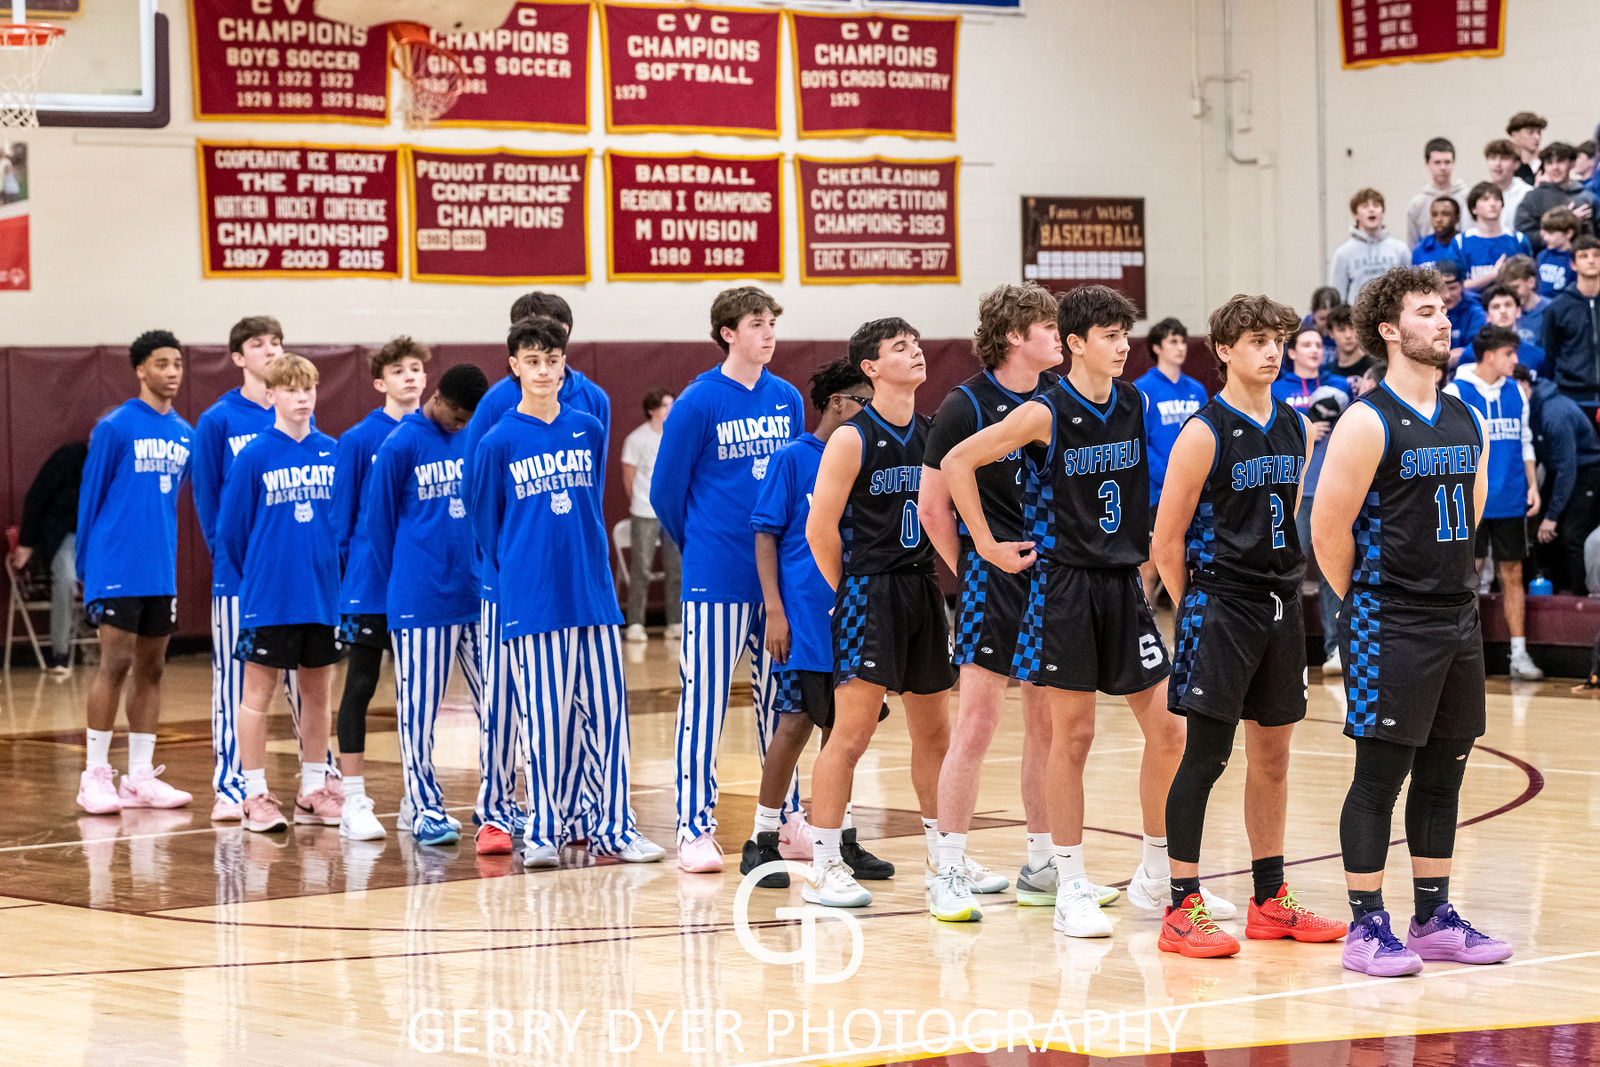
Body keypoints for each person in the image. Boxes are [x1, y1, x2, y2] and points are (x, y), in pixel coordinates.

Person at [941, 285, 1231, 939]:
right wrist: (985, 544)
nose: (1124, 346)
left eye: (1127, 335)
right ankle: (1068, 881)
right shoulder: (1044, 413)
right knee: (1073, 737)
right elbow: (958, 461)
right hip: (1064, 588)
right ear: (1075, 344)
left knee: (1169, 730)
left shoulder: (1133, 400)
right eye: (1110, 335)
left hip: (1123, 588)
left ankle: (1159, 873)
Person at [1311, 264, 1513, 977]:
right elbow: (1328, 529)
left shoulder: (1465, 413)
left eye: (1444, 311)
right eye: (1426, 312)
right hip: (1389, 618)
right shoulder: (1368, 419)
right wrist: (1369, 601)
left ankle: (1432, 917)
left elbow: (1476, 505)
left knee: (1444, 774)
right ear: (1390, 331)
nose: (1443, 321)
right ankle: (1367, 927)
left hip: (1457, 614)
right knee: (1379, 776)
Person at [1151, 293, 1347, 958]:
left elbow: (1286, 516)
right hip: (1219, 606)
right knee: (1206, 757)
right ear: (1225, 351)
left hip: (1279, 605)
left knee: (1275, 755)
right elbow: (1166, 541)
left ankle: (1270, 900)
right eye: (1258, 340)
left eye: (1279, 340)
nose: (1272, 351)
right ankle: (1182, 906)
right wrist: (1200, 605)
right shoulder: (1205, 430)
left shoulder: (1295, 426)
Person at [921, 283, 1114, 922]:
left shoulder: (1058, 401)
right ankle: (947, 867)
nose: (1059, 338)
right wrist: (981, 559)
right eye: (1048, 328)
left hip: (1052, 578)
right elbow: (932, 502)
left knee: (1046, 726)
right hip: (993, 575)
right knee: (976, 724)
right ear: (1014, 335)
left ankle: (1042, 863)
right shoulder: (964, 404)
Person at [469, 317, 664, 867]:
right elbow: (486, 528)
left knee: (607, 715)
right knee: (545, 720)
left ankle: (614, 828)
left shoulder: (587, 425)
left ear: (563, 363)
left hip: (593, 592)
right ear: (514, 367)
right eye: (532, 361)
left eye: (552, 360)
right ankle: (543, 832)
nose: (544, 371)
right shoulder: (496, 440)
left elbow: (589, 506)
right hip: (532, 599)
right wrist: (521, 572)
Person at [651, 287, 804, 873]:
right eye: (757, 324)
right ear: (727, 333)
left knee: (781, 705)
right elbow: (666, 492)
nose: (768, 334)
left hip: (776, 581)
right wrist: (703, 547)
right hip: (716, 577)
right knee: (706, 704)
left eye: (772, 324)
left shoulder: (786, 398)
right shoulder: (697, 402)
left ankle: (784, 819)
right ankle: (694, 828)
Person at [801, 318, 954, 908]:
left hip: (922, 591)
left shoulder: (932, 433)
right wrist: (853, 588)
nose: (915, 353)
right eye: (900, 347)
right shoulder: (852, 438)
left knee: (934, 735)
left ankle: (945, 861)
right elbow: (820, 530)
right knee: (851, 736)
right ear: (870, 367)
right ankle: (824, 864)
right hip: (871, 591)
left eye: (917, 344)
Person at [740, 359, 893, 888]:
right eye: (863, 402)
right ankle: (762, 838)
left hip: (856, 610)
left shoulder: (866, 459)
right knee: (795, 724)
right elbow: (764, 536)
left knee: (845, 728)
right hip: (805, 615)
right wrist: (775, 611)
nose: (872, 413)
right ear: (837, 404)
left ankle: (839, 839)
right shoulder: (791, 460)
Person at [459, 292, 603, 854]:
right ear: (516, 351)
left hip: (570, 574)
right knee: (503, 697)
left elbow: (584, 489)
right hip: (510, 581)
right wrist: (496, 572)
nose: (545, 357)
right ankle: (495, 809)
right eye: (532, 344)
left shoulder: (589, 402)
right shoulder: (496, 406)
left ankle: (581, 807)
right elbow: (481, 496)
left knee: (578, 700)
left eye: (556, 340)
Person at [192, 316, 328, 821]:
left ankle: (316, 779)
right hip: (249, 580)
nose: (269, 349)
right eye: (258, 343)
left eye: (277, 342)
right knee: (242, 685)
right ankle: (236, 785)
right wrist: (242, 569)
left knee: (310, 688)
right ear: (239, 357)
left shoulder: (325, 448)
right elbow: (215, 508)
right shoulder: (220, 422)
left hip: (309, 586)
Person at [360, 363, 489, 845]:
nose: (460, 424)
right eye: (456, 415)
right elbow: (378, 526)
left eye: (467, 419)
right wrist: (411, 573)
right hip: (420, 597)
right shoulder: (400, 444)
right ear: (438, 398)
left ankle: (495, 803)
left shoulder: (475, 436)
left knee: (497, 701)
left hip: (474, 596)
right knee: (419, 707)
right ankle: (422, 806)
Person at [217, 354, 344, 834]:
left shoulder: (331, 451)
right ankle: (253, 794)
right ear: (271, 396)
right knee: (257, 695)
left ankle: (312, 788)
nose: (302, 397)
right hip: (269, 596)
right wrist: (260, 575)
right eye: (291, 389)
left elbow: (342, 527)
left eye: (308, 388)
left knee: (316, 694)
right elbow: (231, 532)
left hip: (321, 596)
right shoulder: (254, 455)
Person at [73, 331, 195, 815]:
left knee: (154, 667)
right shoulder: (116, 427)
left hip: (159, 569)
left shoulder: (186, 433)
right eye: (162, 364)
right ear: (140, 370)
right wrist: (88, 569)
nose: (172, 372)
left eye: (178, 364)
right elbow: (90, 499)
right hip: (116, 565)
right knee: (116, 663)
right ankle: (95, 775)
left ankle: (140, 776)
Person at [332, 336, 428, 839]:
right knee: (361, 686)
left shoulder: (437, 434)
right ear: (379, 382)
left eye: (415, 368)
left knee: (419, 695)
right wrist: (353, 580)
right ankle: (352, 801)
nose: (410, 377)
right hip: (370, 585)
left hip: (420, 587)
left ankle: (419, 800)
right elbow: (341, 520)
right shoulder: (358, 439)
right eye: (398, 371)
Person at [1445, 326, 1543, 681]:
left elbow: (1526, 442)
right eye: (1508, 354)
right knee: (1467, 577)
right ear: (1489, 355)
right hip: (1472, 501)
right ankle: (1465, 654)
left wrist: (1533, 485)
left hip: (1511, 496)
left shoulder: (1517, 391)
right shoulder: (1456, 390)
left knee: (1513, 575)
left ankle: (1519, 653)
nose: (1515, 361)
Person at [1274, 326, 1351, 672]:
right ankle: (1282, 649)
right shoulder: (1277, 389)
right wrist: (1304, 429)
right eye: (1306, 344)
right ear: (1292, 352)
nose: (1314, 350)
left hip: (1331, 492)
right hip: (1295, 493)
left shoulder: (1338, 386)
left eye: (1319, 344)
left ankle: (1335, 648)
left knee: (1332, 573)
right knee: (1287, 570)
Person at [1133, 316, 1208, 605]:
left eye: (1182, 341)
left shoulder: (1197, 390)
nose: (1180, 347)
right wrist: (1171, 475)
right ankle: (1143, 637)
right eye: (1172, 341)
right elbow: (1141, 442)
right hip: (1157, 492)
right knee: (1151, 566)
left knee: (1191, 567)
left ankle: (1186, 636)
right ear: (1156, 347)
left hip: (1194, 491)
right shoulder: (1143, 388)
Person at [10, 438, 88, 674]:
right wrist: (27, 541)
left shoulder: (118, 462)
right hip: (61, 534)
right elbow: (37, 495)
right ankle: (60, 655)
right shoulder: (69, 456)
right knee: (65, 582)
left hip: (96, 537)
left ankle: (118, 652)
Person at [1527, 364, 1600, 592]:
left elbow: (1568, 469)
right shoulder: (1529, 408)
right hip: (1558, 470)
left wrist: (1552, 516)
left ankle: (1581, 597)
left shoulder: (1555, 414)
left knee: (1570, 536)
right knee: (1539, 531)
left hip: (1588, 471)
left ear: (1524, 384)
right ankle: (1553, 589)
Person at [620, 389, 681, 644]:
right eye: (667, 405)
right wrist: (637, 502)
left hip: (670, 512)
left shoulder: (675, 436)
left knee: (676, 568)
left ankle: (676, 621)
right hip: (644, 511)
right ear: (653, 409)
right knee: (641, 569)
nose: (671, 409)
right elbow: (629, 475)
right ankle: (635, 622)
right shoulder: (637, 439)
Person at [1541, 235, 1600, 420]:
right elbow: (1549, 353)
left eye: (1596, 255)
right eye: (1584, 256)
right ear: (1573, 264)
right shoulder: (1557, 307)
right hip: (1571, 397)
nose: (1591, 260)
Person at [1329, 189, 1412, 304]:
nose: (1371, 209)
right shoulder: (1343, 253)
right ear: (1355, 215)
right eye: (1365, 206)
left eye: (1376, 205)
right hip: (1357, 317)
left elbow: (1408, 289)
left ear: (1382, 212)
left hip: (1392, 315)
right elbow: (1338, 297)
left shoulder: (1400, 249)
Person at [1514, 143, 1598, 252]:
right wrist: (1569, 222)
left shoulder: (1588, 197)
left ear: (1572, 163)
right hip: (1546, 263)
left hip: (1584, 262)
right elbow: (1524, 236)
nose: (1555, 167)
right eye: (1549, 163)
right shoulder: (1533, 198)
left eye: (1560, 161)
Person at [1450, 183, 1530, 290]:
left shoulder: (1518, 239)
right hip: (1474, 304)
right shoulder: (1461, 242)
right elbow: (1456, 287)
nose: (1492, 203)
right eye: (1485, 199)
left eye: (1496, 199)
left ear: (1502, 206)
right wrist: (1493, 275)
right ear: (1474, 208)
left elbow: (1529, 281)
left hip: (1510, 303)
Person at [1468, 287, 1546, 377]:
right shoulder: (1471, 354)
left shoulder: (1537, 356)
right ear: (1487, 315)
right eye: (1496, 307)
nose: (1503, 311)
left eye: (1508, 305)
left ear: (1518, 311)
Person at [1404, 137, 1468, 247]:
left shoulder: (1467, 197)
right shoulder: (1417, 204)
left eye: (1447, 162)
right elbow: (1413, 245)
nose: (1442, 167)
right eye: (1437, 162)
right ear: (1427, 163)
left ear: (1453, 162)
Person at [1434, 259, 1486, 365]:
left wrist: (1462, 354)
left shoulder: (1475, 312)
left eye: (1453, 288)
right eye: (1441, 289)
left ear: (1462, 285)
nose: (1447, 295)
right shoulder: (1424, 311)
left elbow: (1480, 347)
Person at [1483, 139, 1534, 237]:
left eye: (1504, 158)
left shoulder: (1527, 193)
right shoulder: (1478, 193)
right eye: (1493, 158)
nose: (1498, 164)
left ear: (1516, 164)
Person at [1498, 255, 1550, 350]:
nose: (1511, 294)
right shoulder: (1502, 312)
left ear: (1531, 282)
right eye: (1507, 289)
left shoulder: (1550, 311)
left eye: (1515, 288)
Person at [1326, 303, 1371, 389]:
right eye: (1341, 330)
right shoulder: (1326, 372)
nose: (1348, 335)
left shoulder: (1376, 368)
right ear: (1331, 333)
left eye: (1352, 328)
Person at [1536, 206, 1578, 296]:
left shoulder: (1575, 259)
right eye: (1545, 233)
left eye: (1551, 233)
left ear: (1569, 233)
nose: (1546, 238)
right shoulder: (1542, 256)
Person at [1411, 196, 1462, 268]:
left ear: (1457, 218)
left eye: (1445, 214)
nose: (1439, 220)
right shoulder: (1420, 248)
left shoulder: (1465, 244)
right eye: (1434, 215)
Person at [1301, 286, 1343, 366]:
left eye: (1332, 319)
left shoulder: (1345, 332)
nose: (1327, 324)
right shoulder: (1302, 331)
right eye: (1322, 318)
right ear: (1313, 314)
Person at [1505, 111, 1547, 187]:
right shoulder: (1508, 167)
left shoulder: (1548, 163)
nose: (1537, 137)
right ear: (1515, 135)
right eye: (1530, 132)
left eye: (1539, 132)